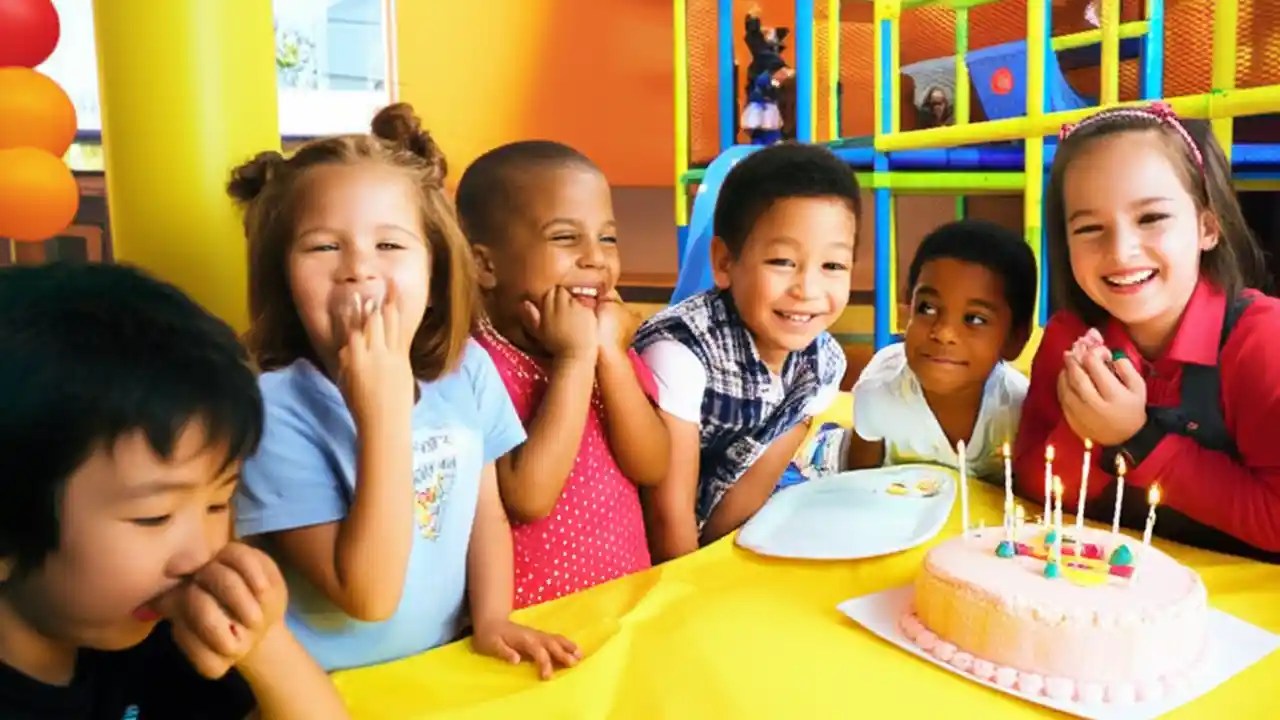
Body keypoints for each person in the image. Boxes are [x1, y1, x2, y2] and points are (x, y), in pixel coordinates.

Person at [230, 103, 581, 675]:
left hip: (439, 667)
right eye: (323, 247)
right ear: (282, 276)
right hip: (329, 687)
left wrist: (492, 617)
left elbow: (482, 513)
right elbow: (367, 597)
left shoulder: (466, 369)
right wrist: (383, 413)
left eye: (389, 246)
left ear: (437, 271)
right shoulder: (271, 413)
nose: (358, 270)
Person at [0, 262, 347, 720]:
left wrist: (265, 649)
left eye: (219, 503)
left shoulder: (157, 640)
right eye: (155, 516)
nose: (201, 556)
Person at [1014, 102, 1280, 560]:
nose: (1120, 250)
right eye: (1090, 227)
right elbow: (1040, 490)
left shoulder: (1262, 343)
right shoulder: (1068, 339)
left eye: (1151, 218)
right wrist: (1086, 430)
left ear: (1207, 227)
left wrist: (1137, 439)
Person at [455, 141, 668, 608]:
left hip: (626, 602)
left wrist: (608, 355)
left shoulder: (602, 339)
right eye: (565, 238)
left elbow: (652, 466)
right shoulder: (475, 364)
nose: (595, 258)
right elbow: (528, 498)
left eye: (607, 238)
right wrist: (575, 361)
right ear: (485, 265)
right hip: (540, 625)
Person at [634, 142, 858, 561]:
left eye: (832, 266)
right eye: (781, 261)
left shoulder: (823, 363)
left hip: (710, 527)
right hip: (641, 543)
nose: (807, 290)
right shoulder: (679, 353)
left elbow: (754, 480)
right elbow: (667, 514)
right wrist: (686, 592)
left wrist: (720, 562)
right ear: (723, 262)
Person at [843, 220, 1035, 480]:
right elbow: (856, 484)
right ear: (907, 309)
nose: (944, 332)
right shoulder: (879, 393)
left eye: (975, 319)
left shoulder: (1019, 413)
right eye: (927, 308)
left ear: (1016, 338)